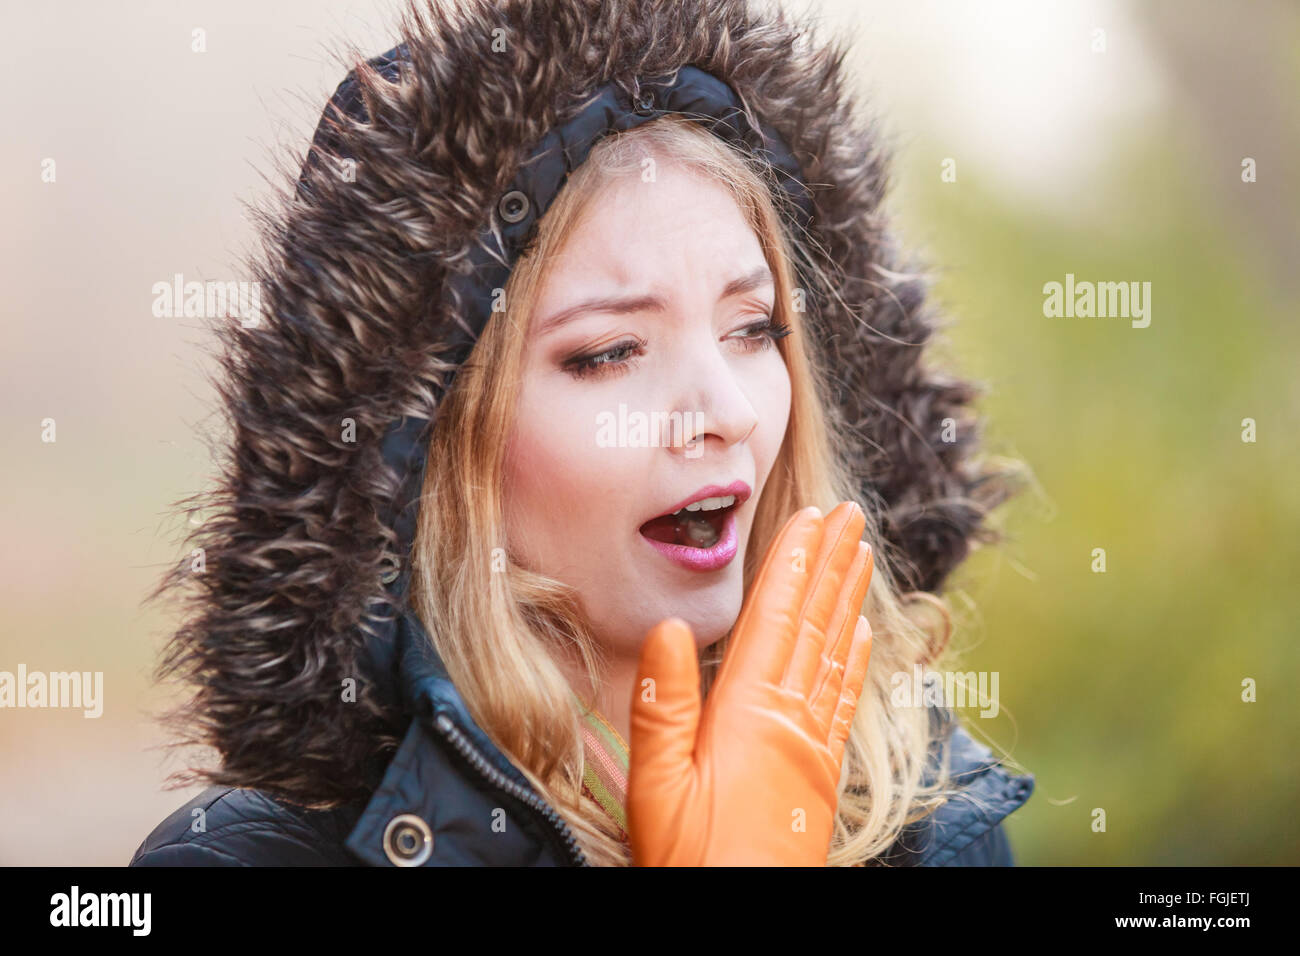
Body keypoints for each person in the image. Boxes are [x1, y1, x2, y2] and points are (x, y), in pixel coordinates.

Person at [130, 0, 1033, 867]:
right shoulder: (244, 859)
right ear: (432, 440)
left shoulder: (924, 809)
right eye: (608, 353)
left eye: (753, 330)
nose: (726, 411)